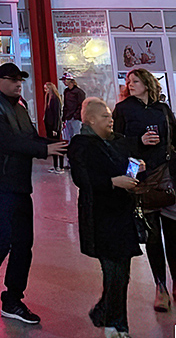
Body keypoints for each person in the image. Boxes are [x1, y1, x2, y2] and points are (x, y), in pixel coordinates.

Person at [0, 62, 67, 325]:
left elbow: (31, 138)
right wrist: (46, 150)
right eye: (12, 80)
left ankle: (13, 299)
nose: (18, 84)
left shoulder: (20, 107)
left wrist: (60, 146)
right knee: (4, 237)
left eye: (20, 80)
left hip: (20, 183)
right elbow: (6, 141)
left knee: (23, 244)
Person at [68, 97, 143, 338]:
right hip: (100, 218)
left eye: (110, 116)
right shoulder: (81, 145)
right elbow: (82, 179)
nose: (110, 120)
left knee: (121, 274)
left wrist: (134, 169)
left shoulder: (118, 142)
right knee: (115, 274)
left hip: (123, 215)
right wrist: (113, 182)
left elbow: (126, 164)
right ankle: (116, 325)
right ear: (89, 119)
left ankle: (105, 314)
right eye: (104, 116)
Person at [112, 67, 176, 312]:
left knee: (173, 234)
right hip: (141, 176)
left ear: (147, 83)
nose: (130, 84)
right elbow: (116, 141)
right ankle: (160, 287)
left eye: (135, 80)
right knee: (151, 237)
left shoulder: (163, 109)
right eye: (128, 81)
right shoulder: (123, 109)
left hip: (166, 174)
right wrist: (138, 141)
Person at [44, 82, 64, 172]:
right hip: (50, 126)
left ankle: (60, 166)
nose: (45, 91)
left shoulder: (54, 100)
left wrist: (55, 128)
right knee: (54, 145)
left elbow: (56, 115)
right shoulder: (49, 98)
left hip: (54, 127)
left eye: (46, 89)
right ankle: (56, 166)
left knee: (57, 146)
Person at [62, 74, 86, 143]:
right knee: (68, 136)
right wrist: (64, 117)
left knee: (76, 135)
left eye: (65, 80)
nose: (64, 82)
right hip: (68, 117)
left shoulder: (79, 92)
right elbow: (65, 105)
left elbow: (81, 105)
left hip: (75, 118)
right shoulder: (66, 91)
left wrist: (76, 115)